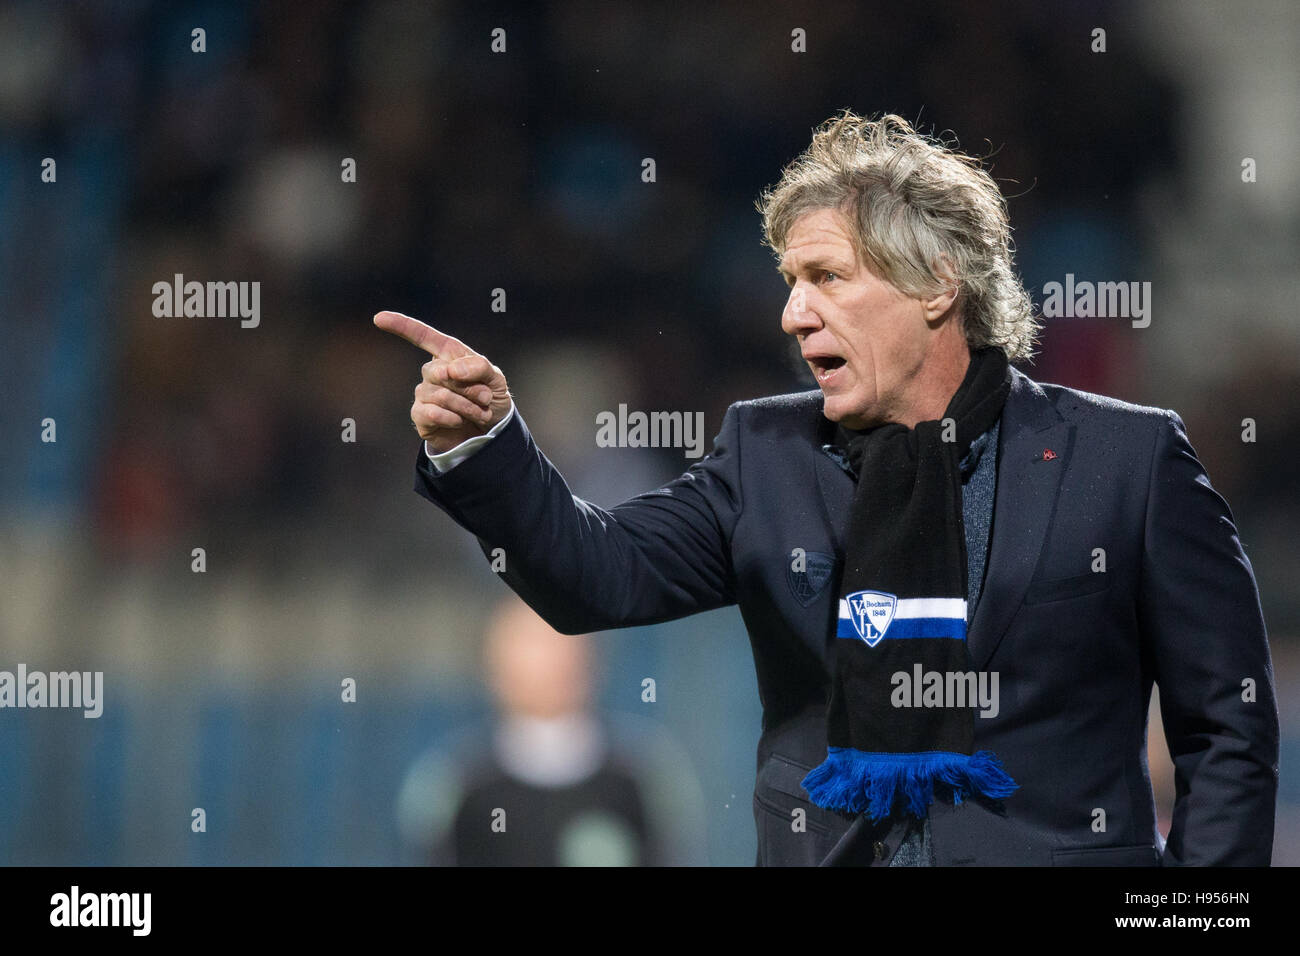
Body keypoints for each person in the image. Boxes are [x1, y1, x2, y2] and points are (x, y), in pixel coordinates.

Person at [376, 111, 1279, 866]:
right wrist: (488, 444)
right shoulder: (765, 451)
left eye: (826, 278)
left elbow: (1227, 729)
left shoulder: (1127, 460)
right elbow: (591, 576)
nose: (792, 311)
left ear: (934, 283)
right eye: (789, 282)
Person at [395, 595, 705, 866]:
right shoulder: (457, 785)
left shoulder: (641, 777)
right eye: (527, 643)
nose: (546, 660)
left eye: (556, 638)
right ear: (494, 664)